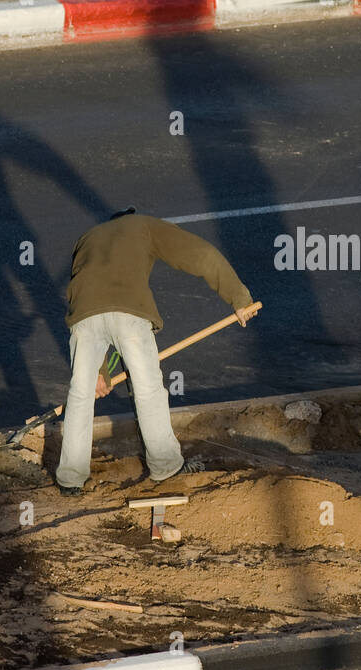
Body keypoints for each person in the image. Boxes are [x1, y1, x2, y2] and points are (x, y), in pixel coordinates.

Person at [55, 208, 259, 495]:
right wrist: (238, 297)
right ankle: (164, 465)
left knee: (80, 395)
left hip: (83, 317)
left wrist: (100, 372)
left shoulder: (89, 237)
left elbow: (93, 294)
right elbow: (200, 254)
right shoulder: (144, 226)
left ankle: (70, 479)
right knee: (147, 389)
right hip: (129, 314)